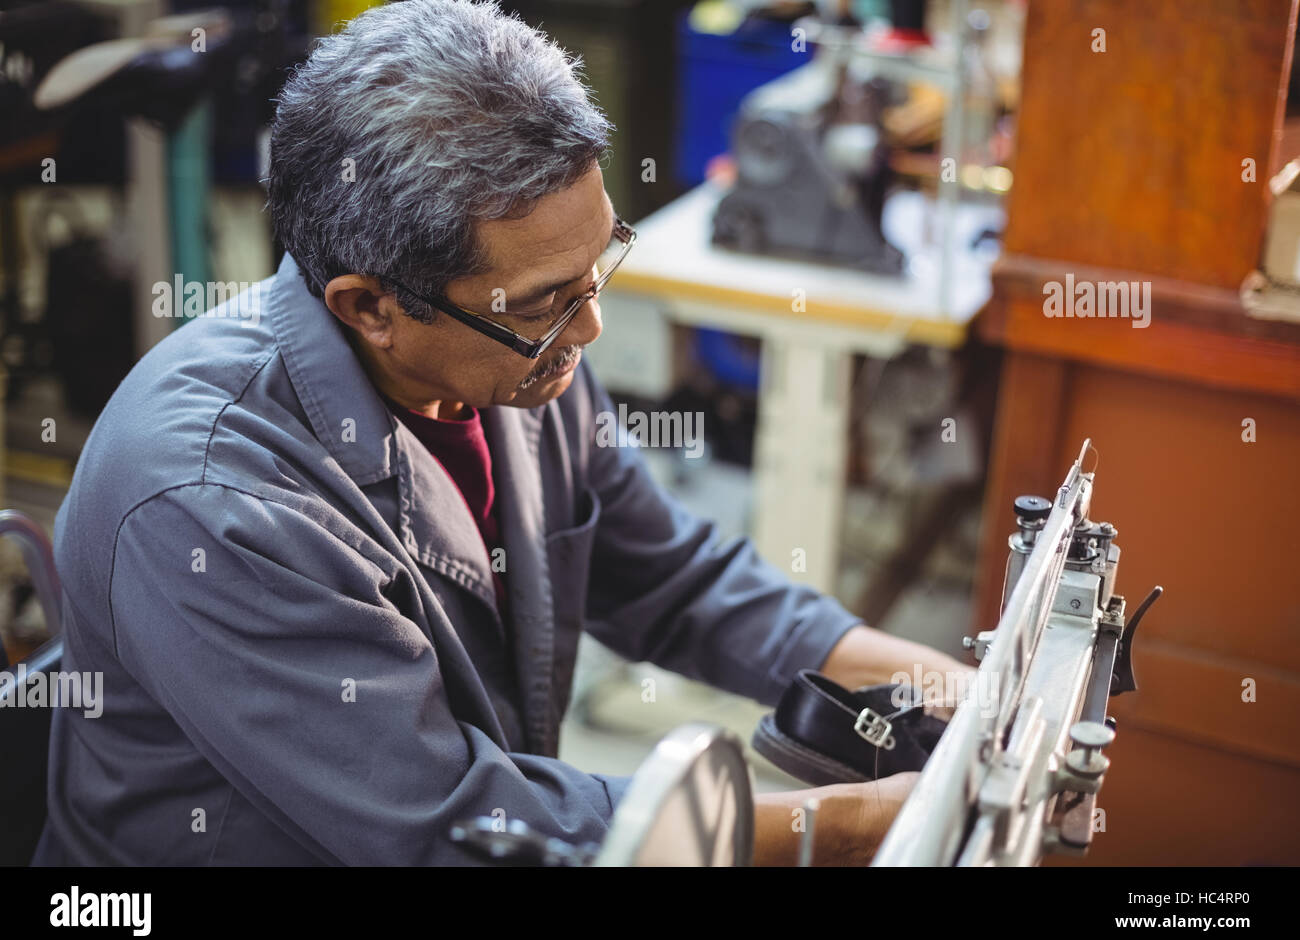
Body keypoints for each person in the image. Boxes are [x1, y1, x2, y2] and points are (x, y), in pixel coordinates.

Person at [33, 0, 967, 867]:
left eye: (597, 265)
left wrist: (940, 686)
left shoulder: (517, 349)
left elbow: (673, 579)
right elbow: (444, 822)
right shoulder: (210, 503)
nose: (589, 328)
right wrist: (842, 827)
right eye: (549, 304)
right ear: (370, 307)